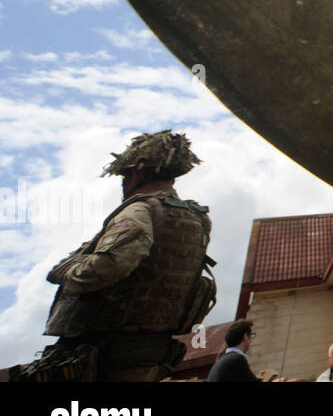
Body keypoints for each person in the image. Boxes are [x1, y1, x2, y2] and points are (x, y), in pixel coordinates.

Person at [33, 130, 216, 382]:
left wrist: (67, 269)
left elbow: (109, 266)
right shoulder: (198, 219)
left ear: (137, 173)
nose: (123, 183)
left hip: (107, 355)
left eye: (125, 175)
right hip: (149, 353)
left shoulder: (140, 210)